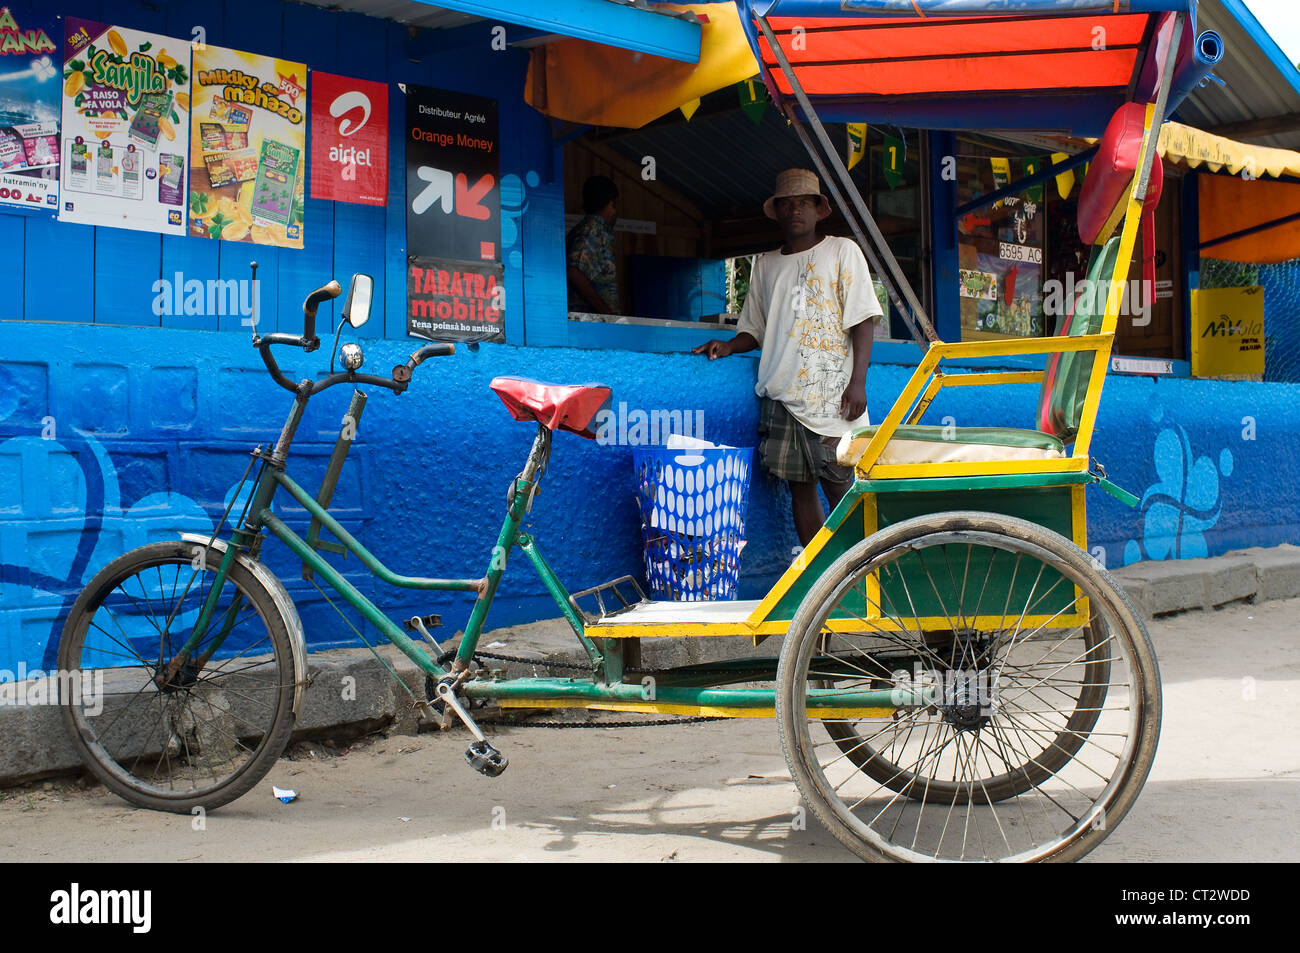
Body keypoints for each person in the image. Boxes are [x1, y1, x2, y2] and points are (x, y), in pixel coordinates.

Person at [693, 168, 882, 547]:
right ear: (777, 212)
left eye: (804, 203)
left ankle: (865, 572)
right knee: (801, 489)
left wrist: (858, 381)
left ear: (818, 209)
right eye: (787, 204)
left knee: (845, 488)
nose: (795, 211)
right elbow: (755, 328)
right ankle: (817, 578)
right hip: (783, 396)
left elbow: (863, 319)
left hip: (833, 397)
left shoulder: (842, 251)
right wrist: (729, 346)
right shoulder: (765, 265)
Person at [566, 175, 620, 315]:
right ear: (612, 203)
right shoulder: (593, 229)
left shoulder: (589, 229)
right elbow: (574, 272)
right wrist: (607, 314)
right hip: (589, 326)